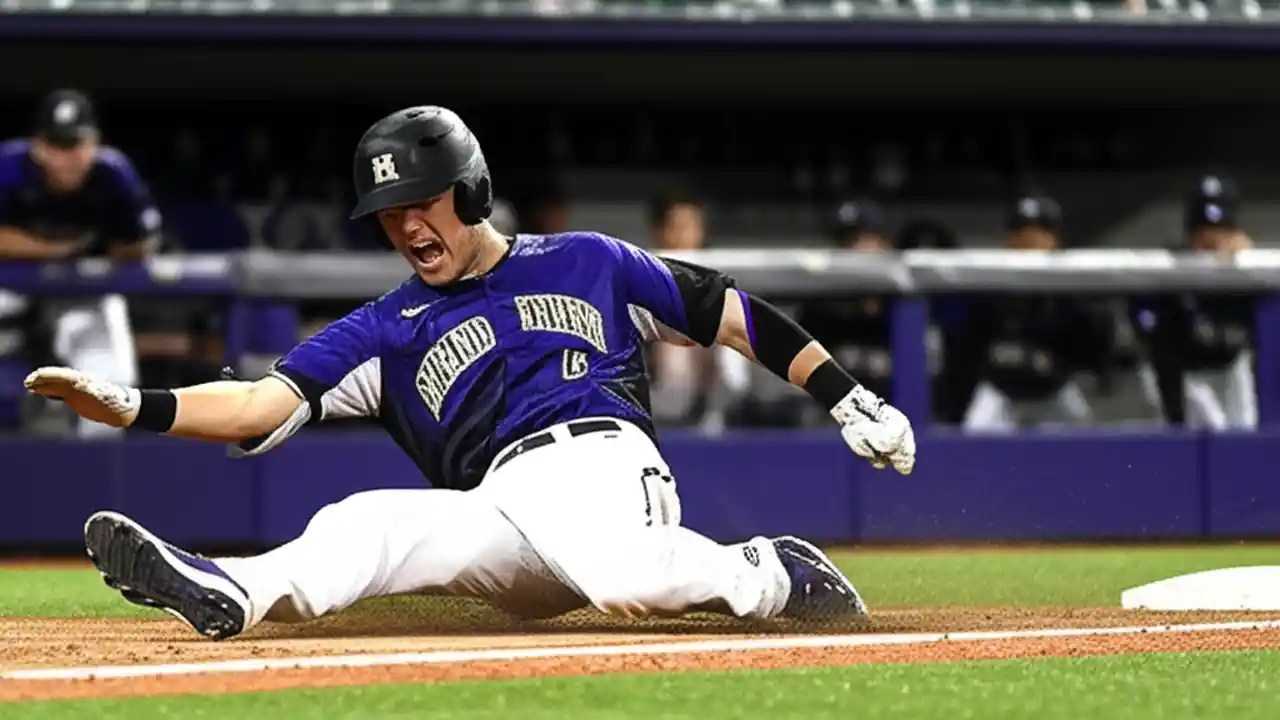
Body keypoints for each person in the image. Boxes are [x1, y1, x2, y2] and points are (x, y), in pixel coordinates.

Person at [25, 106, 915, 640]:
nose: (407, 227)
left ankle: (769, 572)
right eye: (388, 214)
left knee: (624, 579)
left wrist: (847, 395)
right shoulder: (387, 325)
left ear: (473, 191)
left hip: (602, 463)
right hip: (500, 510)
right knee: (367, 522)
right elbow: (260, 404)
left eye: (423, 201)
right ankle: (233, 588)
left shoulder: (588, 259)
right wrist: (135, 405)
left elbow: (732, 315)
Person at [0, 89, 161, 438]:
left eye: (75, 144)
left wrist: (117, 249)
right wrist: (56, 250)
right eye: (55, 145)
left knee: (110, 389)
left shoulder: (113, 173)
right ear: (38, 146)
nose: (65, 157)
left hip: (83, 287)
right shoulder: (8, 165)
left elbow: (139, 243)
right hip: (10, 284)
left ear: (93, 144)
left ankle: (96, 467)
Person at [960, 193, 1113, 432]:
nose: (1029, 240)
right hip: (1000, 394)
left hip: (1056, 392)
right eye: (1021, 231)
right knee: (970, 441)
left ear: (1056, 240)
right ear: (1009, 240)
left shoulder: (1075, 292)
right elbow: (966, 353)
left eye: (1040, 232)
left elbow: (1097, 349)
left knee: (1087, 446)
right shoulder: (987, 290)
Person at [1131, 173, 1257, 430]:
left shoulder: (1249, 266)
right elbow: (1145, 320)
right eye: (1203, 231)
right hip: (1186, 374)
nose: (1211, 239)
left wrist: (1249, 269)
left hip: (1231, 369)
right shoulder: (1170, 267)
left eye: (1221, 230)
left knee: (1243, 437)